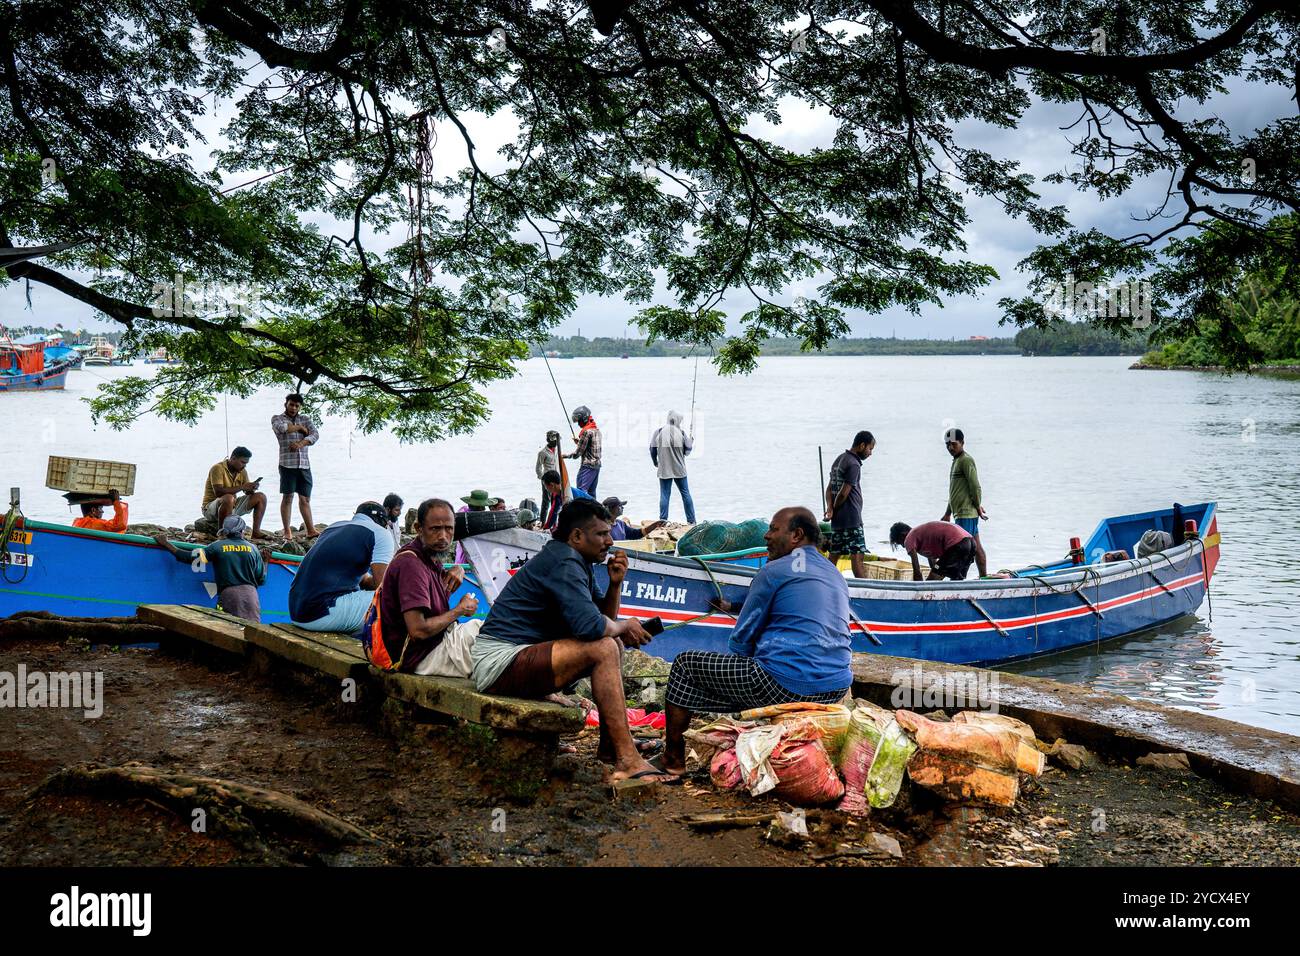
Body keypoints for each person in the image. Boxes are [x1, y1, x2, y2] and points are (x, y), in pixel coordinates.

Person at [471, 498, 676, 784]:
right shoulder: (564, 561)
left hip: (520, 656)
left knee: (612, 645)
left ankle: (611, 747)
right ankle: (628, 760)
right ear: (577, 536)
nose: (610, 541)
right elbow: (591, 627)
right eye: (602, 534)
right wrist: (624, 625)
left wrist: (615, 585)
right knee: (606, 647)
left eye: (609, 533)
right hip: (498, 661)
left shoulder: (577, 560)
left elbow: (600, 621)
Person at [659, 507, 853, 776]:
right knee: (745, 673)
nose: (766, 536)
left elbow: (740, 643)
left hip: (786, 683)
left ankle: (672, 761)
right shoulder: (833, 573)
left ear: (796, 535)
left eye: (774, 529)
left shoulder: (774, 570)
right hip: (836, 685)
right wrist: (736, 606)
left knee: (685, 665)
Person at [375, 498, 482, 676]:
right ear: (418, 529)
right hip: (420, 656)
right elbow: (418, 631)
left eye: (449, 529)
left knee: (493, 631)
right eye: (435, 529)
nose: (443, 536)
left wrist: (458, 570)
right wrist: (459, 610)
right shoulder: (411, 564)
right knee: (489, 636)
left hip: (432, 645)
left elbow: (432, 602)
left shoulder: (429, 557)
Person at [290, 501, 395, 632]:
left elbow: (360, 578)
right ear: (382, 521)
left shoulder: (332, 528)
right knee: (395, 600)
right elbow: (382, 586)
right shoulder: (380, 533)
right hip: (321, 613)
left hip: (297, 612)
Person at [154, 517, 270, 622]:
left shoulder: (218, 547)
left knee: (228, 629)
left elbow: (189, 558)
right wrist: (265, 562)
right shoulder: (253, 549)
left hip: (230, 595)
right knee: (252, 631)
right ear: (241, 531)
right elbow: (261, 579)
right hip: (251, 596)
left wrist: (166, 544)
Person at [825, 430, 876, 578]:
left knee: (833, 557)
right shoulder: (854, 464)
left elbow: (829, 489)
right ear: (861, 445)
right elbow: (843, 493)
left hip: (838, 521)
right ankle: (867, 593)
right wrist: (834, 507)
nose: (870, 453)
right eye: (870, 449)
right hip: (852, 520)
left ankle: (823, 583)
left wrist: (830, 509)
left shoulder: (838, 459)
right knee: (857, 559)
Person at [271, 393, 319, 541]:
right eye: (291, 404)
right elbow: (283, 428)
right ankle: (287, 531)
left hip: (304, 464)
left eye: (297, 406)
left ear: (300, 407)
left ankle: (310, 530)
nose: (293, 408)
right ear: (286, 403)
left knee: (305, 499)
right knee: (288, 497)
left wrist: (301, 443)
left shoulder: (306, 419)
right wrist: (299, 428)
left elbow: (315, 435)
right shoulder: (277, 418)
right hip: (287, 464)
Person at [942, 428, 987, 577]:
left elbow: (975, 486)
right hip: (960, 513)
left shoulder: (966, 460)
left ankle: (959, 579)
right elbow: (954, 492)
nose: (950, 448)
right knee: (976, 546)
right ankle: (983, 577)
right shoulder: (956, 461)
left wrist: (978, 507)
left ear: (962, 442)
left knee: (961, 548)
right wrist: (947, 513)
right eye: (947, 445)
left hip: (966, 513)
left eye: (954, 444)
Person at [201, 446, 267, 537]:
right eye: (242, 462)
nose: (244, 466)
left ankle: (256, 532)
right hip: (210, 509)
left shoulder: (242, 471)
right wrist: (243, 486)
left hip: (231, 505)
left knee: (261, 497)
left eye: (246, 463)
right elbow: (218, 492)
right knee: (229, 498)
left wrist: (251, 488)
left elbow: (246, 491)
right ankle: (222, 534)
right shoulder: (217, 468)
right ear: (233, 458)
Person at [890, 520, 976, 581]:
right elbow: (935, 567)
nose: (904, 546)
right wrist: (936, 572)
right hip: (971, 543)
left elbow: (917, 571)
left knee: (930, 584)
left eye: (900, 543)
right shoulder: (921, 534)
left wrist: (918, 591)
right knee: (957, 579)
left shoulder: (909, 538)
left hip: (957, 544)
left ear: (902, 535)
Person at [650, 410, 696, 523]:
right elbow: (687, 452)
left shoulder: (659, 431)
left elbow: (652, 449)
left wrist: (655, 462)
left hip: (664, 468)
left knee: (665, 494)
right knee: (685, 493)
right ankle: (691, 521)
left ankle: (663, 520)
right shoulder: (682, 433)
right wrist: (690, 442)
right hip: (679, 469)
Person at [564, 405, 602, 496]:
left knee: (581, 492)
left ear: (584, 419)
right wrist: (579, 442)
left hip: (587, 467)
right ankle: (594, 510)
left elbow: (577, 454)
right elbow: (591, 449)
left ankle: (582, 510)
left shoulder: (586, 432)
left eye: (579, 420)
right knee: (592, 493)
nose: (578, 423)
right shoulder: (596, 430)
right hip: (596, 467)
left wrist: (565, 456)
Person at [536, 430, 570, 527]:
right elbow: (538, 467)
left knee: (555, 502)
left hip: (556, 479)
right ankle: (543, 522)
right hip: (547, 480)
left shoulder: (557, 450)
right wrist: (542, 478)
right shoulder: (543, 452)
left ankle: (554, 524)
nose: (556, 443)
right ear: (549, 440)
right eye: (554, 441)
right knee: (546, 502)